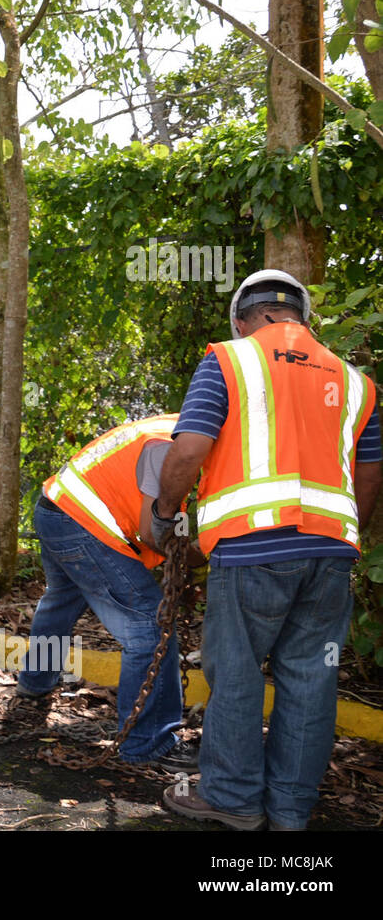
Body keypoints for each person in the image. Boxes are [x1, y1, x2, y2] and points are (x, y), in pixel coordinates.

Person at [154, 269, 382, 830]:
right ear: (304, 317)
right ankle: (289, 810)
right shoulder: (356, 382)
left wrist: (165, 512)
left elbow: (188, 450)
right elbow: (371, 472)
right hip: (330, 553)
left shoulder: (230, 360)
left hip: (251, 549)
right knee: (311, 678)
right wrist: (344, 534)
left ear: (240, 318)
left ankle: (233, 800)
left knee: (236, 673)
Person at [17, 412, 202, 773]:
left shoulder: (175, 426)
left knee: (62, 598)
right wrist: (199, 552)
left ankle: (35, 683)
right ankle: (148, 743)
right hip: (82, 522)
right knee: (149, 626)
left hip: (55, 507)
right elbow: (153, 533)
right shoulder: (172, 448)